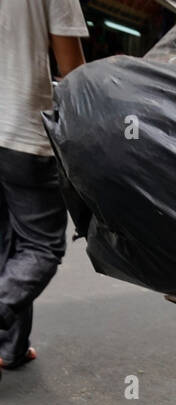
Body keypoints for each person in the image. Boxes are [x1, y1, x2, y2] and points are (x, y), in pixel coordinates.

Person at [0, 0, 87, 376]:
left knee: (8, 245)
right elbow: (72, 71)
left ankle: (11, 348)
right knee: (41, 246)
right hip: (20, 131)